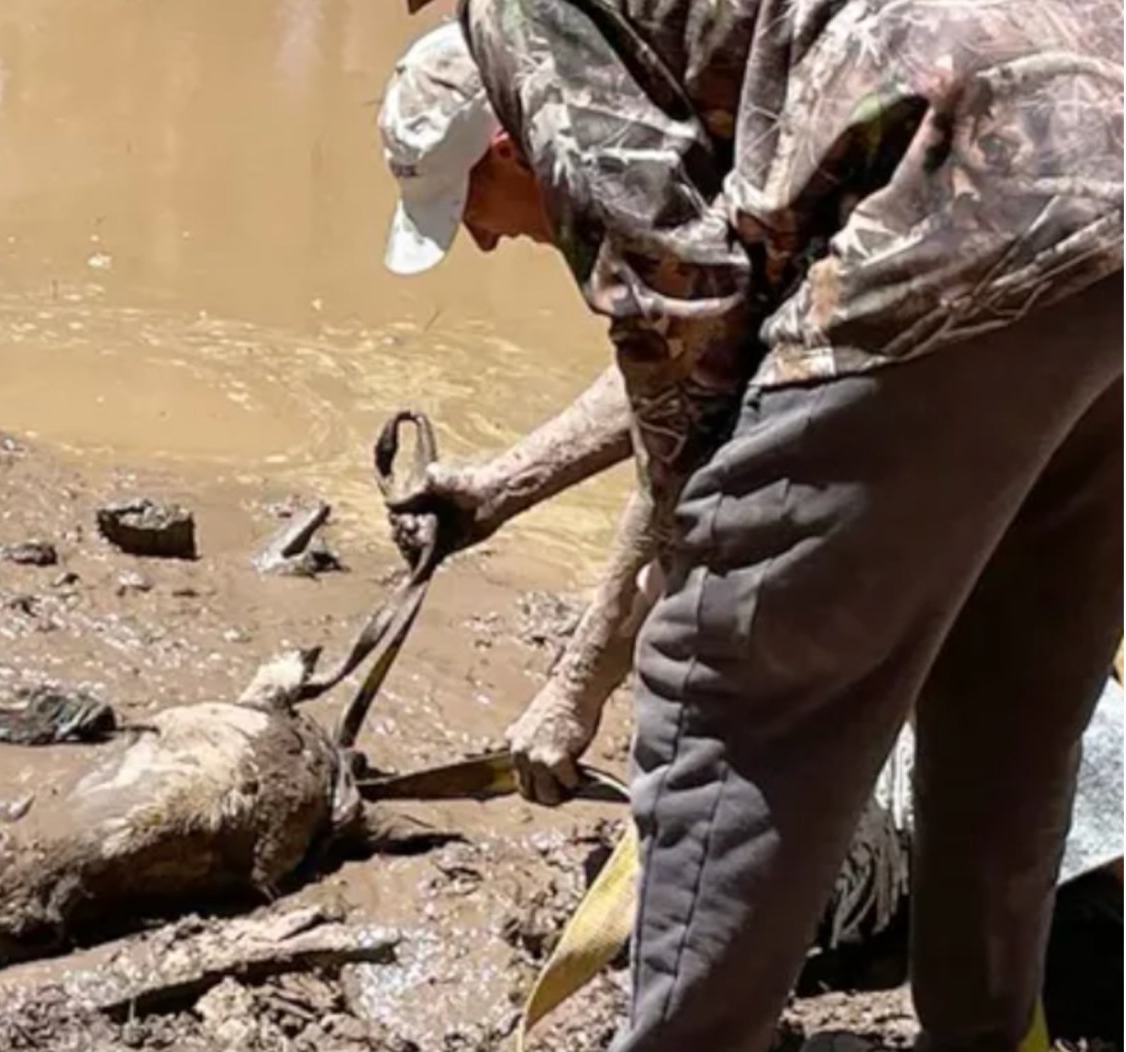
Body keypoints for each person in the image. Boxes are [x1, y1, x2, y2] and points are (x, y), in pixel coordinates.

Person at [371, 8, 1122, 1051]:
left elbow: (675, 299)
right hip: (1102, 200)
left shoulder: (516, 12)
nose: (486, 236)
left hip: (942, 211)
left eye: (473, 206)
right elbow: (728, 328)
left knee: (727, 684)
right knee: (1006, 695)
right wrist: (503, 488)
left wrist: (694, 600)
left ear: (504, 144)